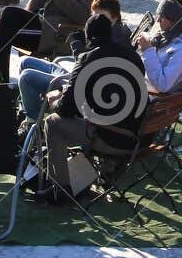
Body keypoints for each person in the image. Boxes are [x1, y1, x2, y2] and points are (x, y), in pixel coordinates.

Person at [40, 12, 149, 205]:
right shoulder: (133, 57)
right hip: (136, 136)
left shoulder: (86, 58)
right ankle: (75, 179)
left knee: (53, 123)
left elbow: (66, 109)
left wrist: (54, 100)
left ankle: (61, 188)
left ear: (88, 37)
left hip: (110, 136)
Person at [17, 0, 131, 119]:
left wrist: (76, 45)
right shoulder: (108, 31)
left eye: (102, 16)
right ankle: (27, 111)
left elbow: (87, 68)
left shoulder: (113, 40)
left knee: (27, 77)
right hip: (74, 74)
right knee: (25, 62)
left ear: (115, 18)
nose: (96, 19)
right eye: (93, 16)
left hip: (78, 84)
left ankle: (33, 121)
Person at [134, 0, 182, 91]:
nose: (158, 20)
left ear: (175, 21)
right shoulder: (169, 37)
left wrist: (148, 51)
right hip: (142, 87)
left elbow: (162, 84)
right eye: (158, 15)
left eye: (162, 17)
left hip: (152, 99)